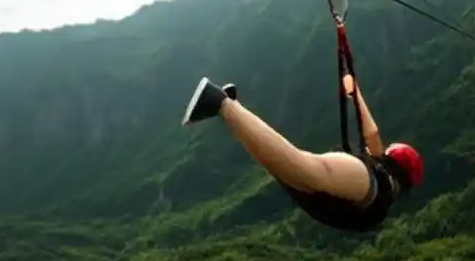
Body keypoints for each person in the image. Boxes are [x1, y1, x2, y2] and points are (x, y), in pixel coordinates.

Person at [181, 76, 423, 232]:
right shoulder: (385, 188)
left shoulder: (384, 178)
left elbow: (372, 134)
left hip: (356, 187)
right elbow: (372, 136)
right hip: (359, 189)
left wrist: (355, 93)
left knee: (285, 167)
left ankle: (231, 107)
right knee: (300, 169)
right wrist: (354, 93)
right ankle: (221, 103)